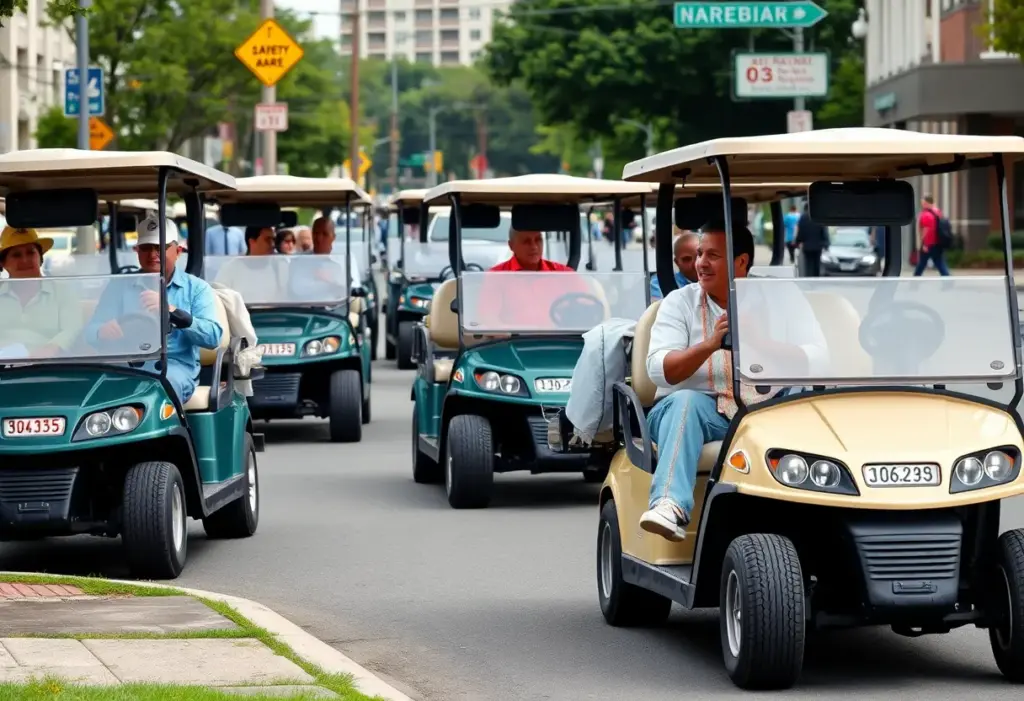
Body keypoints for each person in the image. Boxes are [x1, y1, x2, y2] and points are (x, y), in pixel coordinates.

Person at [638, 224, 828, 541]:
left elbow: (820, 361)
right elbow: (660, 370)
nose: (701, 263)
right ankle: (669, 504)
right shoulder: (679, 302)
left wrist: (761, 343)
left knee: (813, 407)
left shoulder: (782, 296)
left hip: (765, 412)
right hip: (698, 415)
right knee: (687, 403)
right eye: (699, 254)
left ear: (741, 262)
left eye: (712, 255)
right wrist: (709, 345)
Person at [84, 215, 223, 405]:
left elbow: (213, 337)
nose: (152, 255)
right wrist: (102, 331)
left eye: (160, 248)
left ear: (178, 251)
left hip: (173, 366)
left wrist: (173, 312)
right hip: (126, 365)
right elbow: (90, 331)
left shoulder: (197, 289)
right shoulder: (118, 286)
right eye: (146, 248)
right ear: (137, 251)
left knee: (161, 388)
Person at [0, 226, 83, 357]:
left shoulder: (62, 292)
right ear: (2, 263)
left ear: (40, 257)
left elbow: (72, 329)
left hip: (48, 366)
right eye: (16, 255)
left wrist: (53, 347)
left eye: (30, 252)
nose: (25, 260)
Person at [490, 228, 574, 272]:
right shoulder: (496, 276)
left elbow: (583, 303)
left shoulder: (564, 274)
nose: (534, 247)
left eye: (538, 240)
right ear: (511, 246)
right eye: (526, 241)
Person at [650, 232, 698, 301]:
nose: (695, 264)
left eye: (699, 256)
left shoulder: (714, 281)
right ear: (677, 262)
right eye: (686, 259)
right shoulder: (660, 282)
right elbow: (658, 309)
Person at [913, 194, 950, 277]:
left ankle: (914, 283)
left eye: (923, 202)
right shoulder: (938, 212)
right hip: (938, 242)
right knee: (939, 263)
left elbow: (928, 231)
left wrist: (925, 244)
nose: (922, 204)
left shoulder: (926, 215)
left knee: (922, 264)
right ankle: (947, 280)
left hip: (929, 244)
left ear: (927, 202)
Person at [794, 203, 829, 276]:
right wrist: (826, 243)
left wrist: (797, 242)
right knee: (817, 264)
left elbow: (801, 232)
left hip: (807, 246)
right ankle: (816, 277)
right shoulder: (819, 217)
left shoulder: (803, 218)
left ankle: (809, 277)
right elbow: (824, 231)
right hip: (818, 246)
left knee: (808, 264)